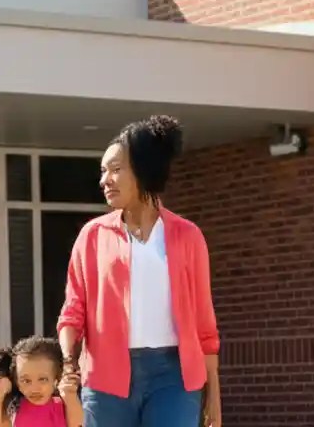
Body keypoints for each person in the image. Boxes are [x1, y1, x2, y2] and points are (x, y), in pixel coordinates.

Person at [56, 115, 221, 427]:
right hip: (105, 378)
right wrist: (68, 360)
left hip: (173, 377)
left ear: (144, 171)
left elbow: (205, 325)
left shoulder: (187, 236)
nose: (105, 180)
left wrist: (213, 394)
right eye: (103, 171)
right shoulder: (92, 236)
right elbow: (72, 310)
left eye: (116, 170)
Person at [0, 335, 83, 427]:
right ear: (16, 380)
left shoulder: (62, 406)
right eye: (26, 381)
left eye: (42, 379)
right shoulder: (14, 408)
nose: (34, 388)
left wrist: (70, 395)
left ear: (56, 379)